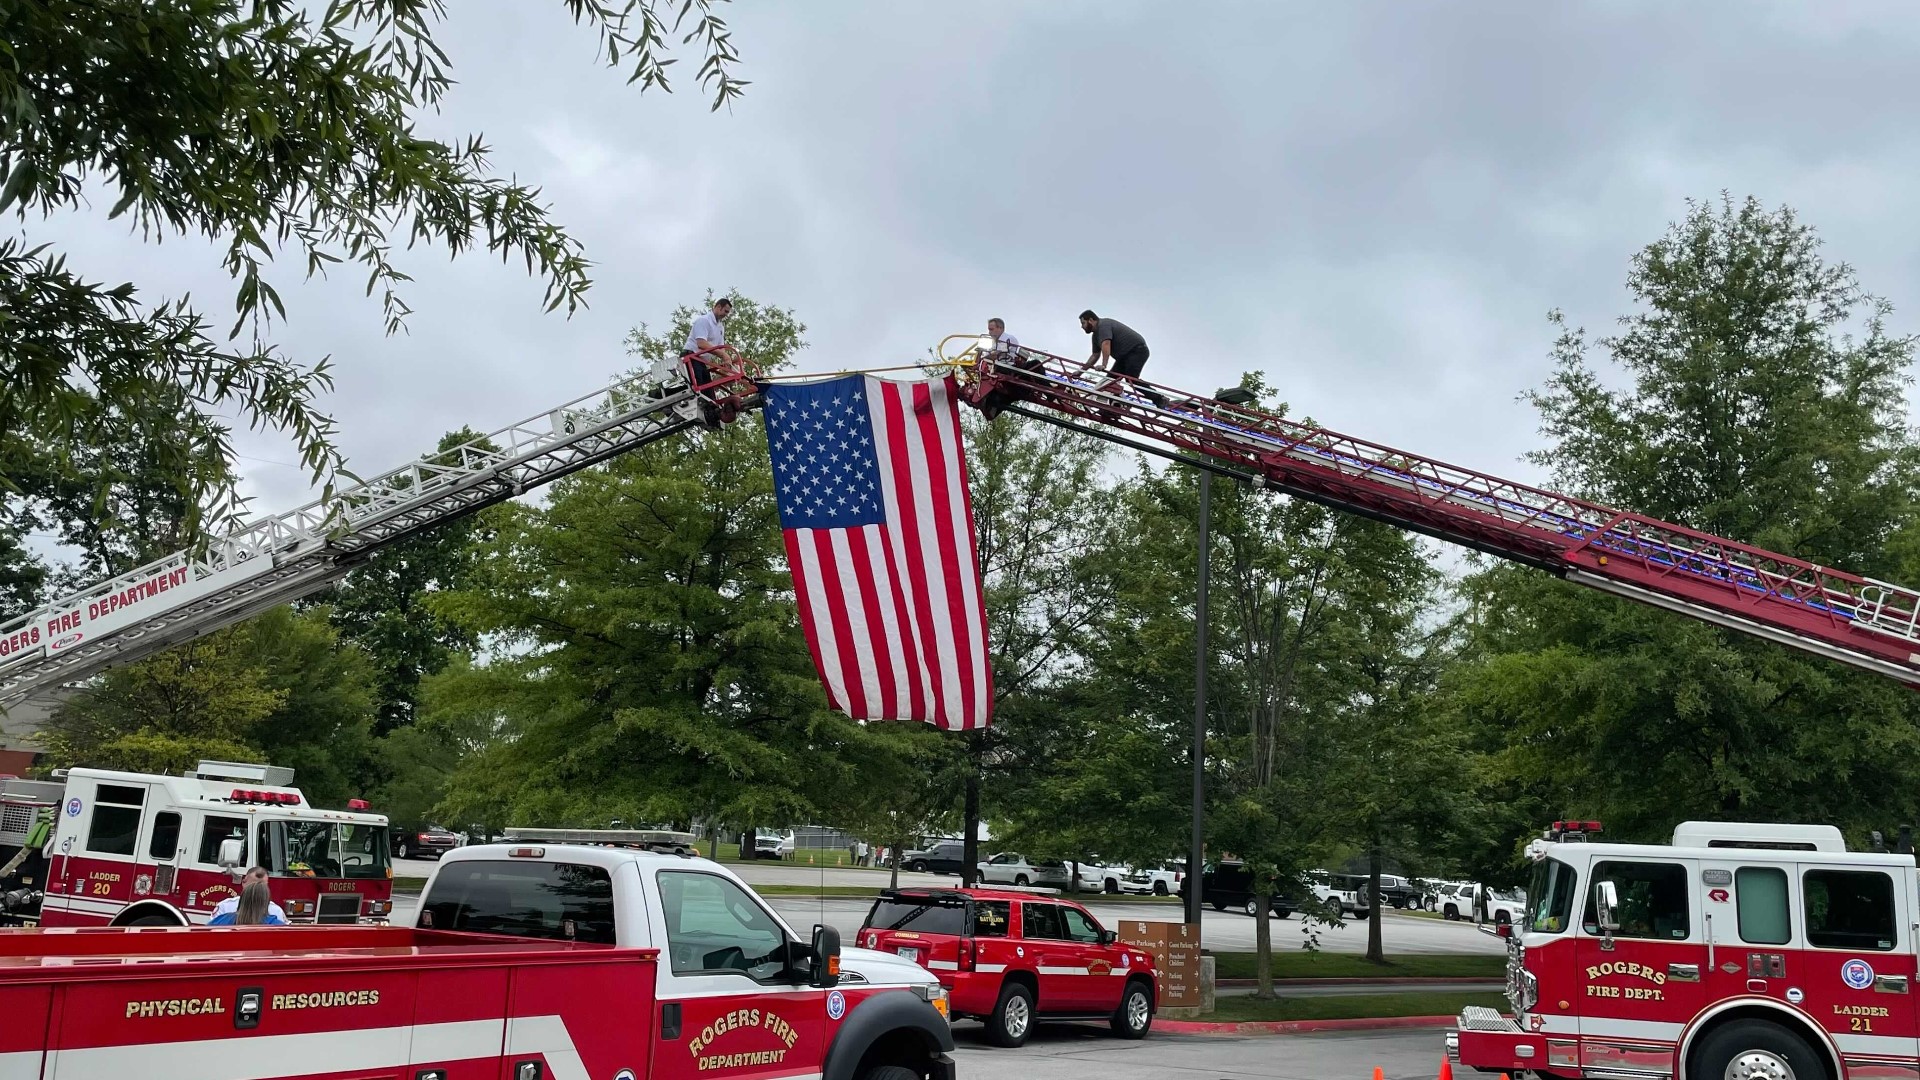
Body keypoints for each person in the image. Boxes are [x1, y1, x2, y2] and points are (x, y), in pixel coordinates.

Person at [1079, 309, 1161, 406]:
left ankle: (1159, 399)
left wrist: (1104, 365)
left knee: (1131, 378)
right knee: (1109, 381)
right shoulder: (1095, 336)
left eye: (1083, 323)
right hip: (1124, 356)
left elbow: (1106, 343)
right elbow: (1095, 355)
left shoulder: (1103, 325)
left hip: (1136, 350)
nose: (1082, 327)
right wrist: (1080, 372)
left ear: (1091, 320)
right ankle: (1110, 404)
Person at [681, 297, 733, 391]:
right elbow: (701, 343)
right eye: (725, 311)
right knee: (697, 389)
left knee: (708, 392)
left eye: (727, 312)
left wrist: (726, 361)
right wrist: (723, 355)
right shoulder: (704, 320)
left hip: (701, 361)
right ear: (718, 307)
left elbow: (721, 347)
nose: (726, 315)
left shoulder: (720, 327)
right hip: (691, 356)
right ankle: (664, 393)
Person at [210, 867, 288, 924]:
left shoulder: (277, 911)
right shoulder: (225, 906)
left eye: (262, 885)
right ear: (243, 882)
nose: (258, 889)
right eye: (254, 884)